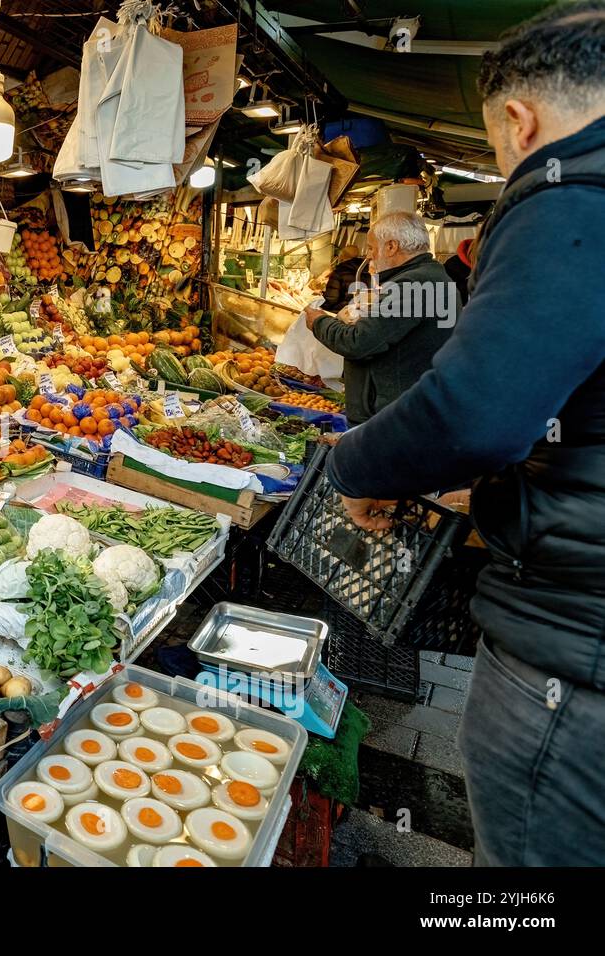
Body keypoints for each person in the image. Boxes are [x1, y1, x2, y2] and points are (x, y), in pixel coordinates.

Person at [326, 1, 605, 866]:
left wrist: (356, 466)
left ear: (519, 120)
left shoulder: (570, 196)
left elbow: (471, 404)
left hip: (575, 652)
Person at [301, 213, 456, 425]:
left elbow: (358, 342)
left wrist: (318, 322)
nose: (369, 256)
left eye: (372, 248)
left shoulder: (414, 284)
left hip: (394, 418)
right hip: (405, 410)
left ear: (391, 246)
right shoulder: (429, 279)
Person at [320, 243, 367, 312]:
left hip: (343, 312)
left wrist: (319, 306)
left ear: (342, 257)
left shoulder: (340, 271)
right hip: (361, 313)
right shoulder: (367, 270)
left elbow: (331, 299)